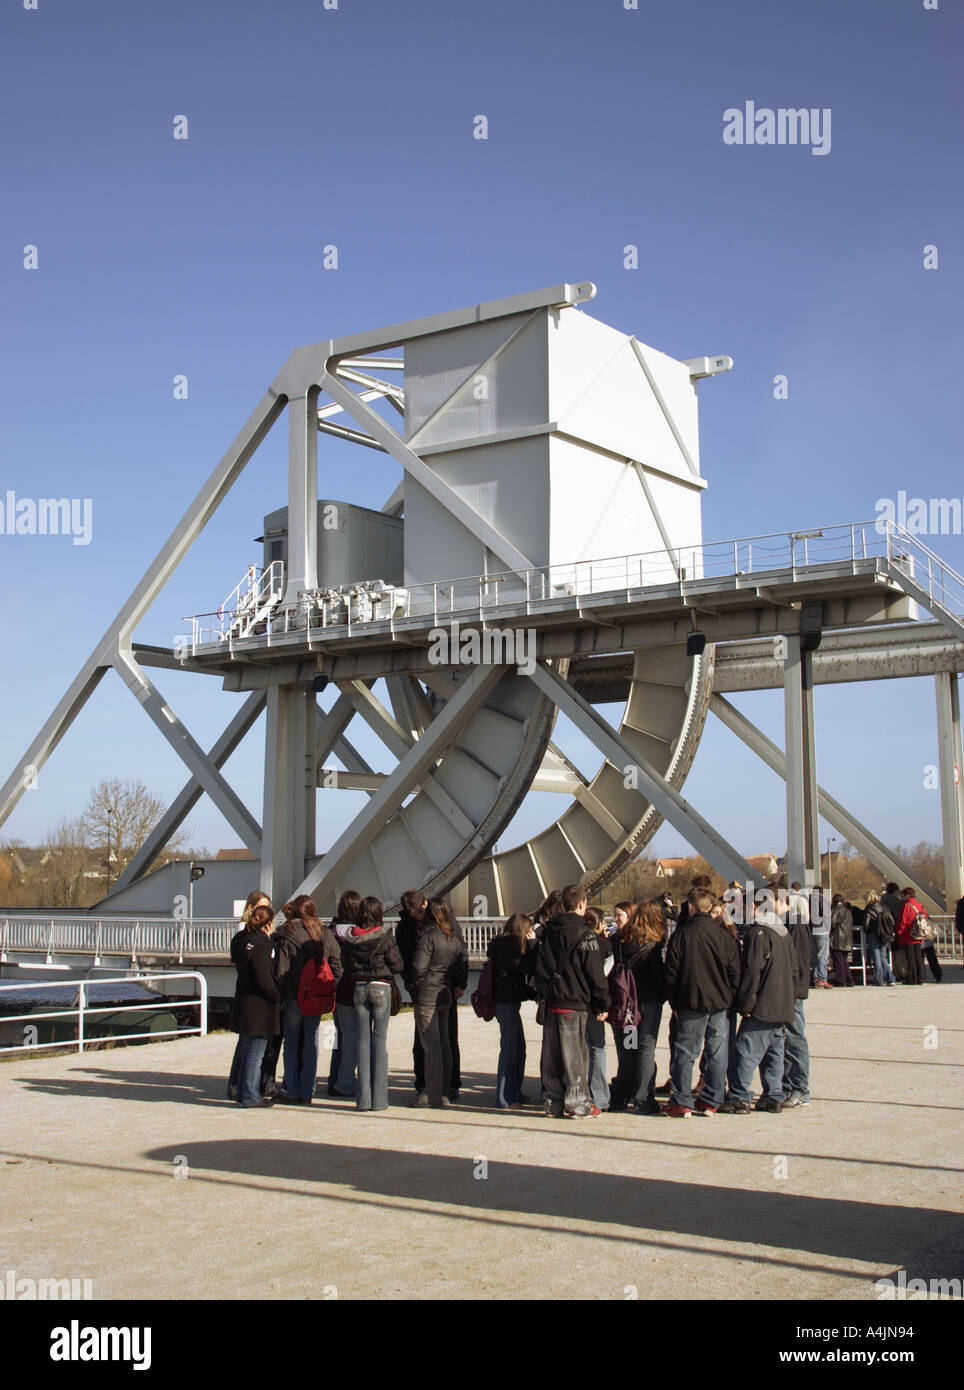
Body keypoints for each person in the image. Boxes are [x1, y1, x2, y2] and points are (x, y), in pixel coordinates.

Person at [663, 888, 740, 1117]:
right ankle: (712, 1100)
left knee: (685, 1053)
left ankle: (682, 1100)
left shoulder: (682, 935)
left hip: (690, 1003)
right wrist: (729, 997)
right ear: (711, 908)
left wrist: (675, 1003)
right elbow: (735, 972)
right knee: (717, 1053)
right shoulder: (725, 937)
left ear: (691, 907)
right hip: (719, 1004)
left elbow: (671, 973)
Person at [535, 883, 609, 1119]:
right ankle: (578, 1104)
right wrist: (602, 1003)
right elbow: (595, 974)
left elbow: (539, 969)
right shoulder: (586, 934)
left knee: (551, 1058)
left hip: (551, 1002)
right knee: (575, 1058)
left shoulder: (547, 932)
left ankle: (552, 1103)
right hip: (574, 1003)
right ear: (581, 904)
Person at [722, 895, 800, 1114]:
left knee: (746, 1049)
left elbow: (753, 971)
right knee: (773, 1051)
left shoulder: (759, 932)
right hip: (782, 1001)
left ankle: (739, 1096)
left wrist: (746, 1004)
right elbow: (795, 968)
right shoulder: (781, 931)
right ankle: (773, 1095)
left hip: (764, 1002)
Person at [335, 896, 404, 1111]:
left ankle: (363, 1099)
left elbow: (345, 963)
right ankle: (380, 1100)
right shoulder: (385, 936)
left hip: (359, 989)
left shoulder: (351, 938)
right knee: (379, 1041)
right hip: (380, 987)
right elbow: (397, 964)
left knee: (362, 1041)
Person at [275, 895, 343, 1105]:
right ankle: (308, 1090)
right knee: (311, 1042)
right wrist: (326, 987)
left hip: (294, 996)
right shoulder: (324, 934)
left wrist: (285, 991)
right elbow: (337, 966)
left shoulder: (287, 934)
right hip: (315, 997)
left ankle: (290, 1089)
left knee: (292, 1043)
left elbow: (281, 971)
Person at [609, 899, 666, 1116]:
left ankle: (621, 1095)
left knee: (629, 1049)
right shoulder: (653, 943)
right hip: (649, 1004)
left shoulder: (619, 940)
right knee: (646, 1048)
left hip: (628, 1005)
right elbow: (659, 976)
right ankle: (643, 1098)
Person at [410, 899, 468, 1108]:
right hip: (445, 992)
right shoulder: (452, 938)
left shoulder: (428, 938)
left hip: (428, 993)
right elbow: (461, 962)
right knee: (445, 1043)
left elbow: (418, 968)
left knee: (431, 1045)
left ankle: (431, 1093)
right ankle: (445, 1089)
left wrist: (413, 984)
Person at [230, 904, 281, 1108]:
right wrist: (276, 994)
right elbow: (263, 977)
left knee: (249, 1047)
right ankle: (251, 1095)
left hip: (244, 997)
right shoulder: (261, 943)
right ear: (268, 923)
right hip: (259, 1005)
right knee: (256, 1050)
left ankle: (242, 1091)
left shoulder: (240, 939)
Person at [487, 913, 535, 1107]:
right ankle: (505, 1097)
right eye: (529, 930)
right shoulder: (508, 949)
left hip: (508, 1003)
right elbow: (526, 968)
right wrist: (532, 946)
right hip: (506, 1004)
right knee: (509, 1050)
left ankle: (514, 1091)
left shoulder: (502, 945)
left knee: (518, 1048)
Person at [227, 890, 271, 1100]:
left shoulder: (242, 938)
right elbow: (261, 973)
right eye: (262, 907)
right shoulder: (251, 938)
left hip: (245, 995)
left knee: (246, 1044)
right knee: (252, 1047)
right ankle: (247, 1091)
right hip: (255, 999)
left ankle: (240, 1086)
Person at [327, 890, 362, 1097]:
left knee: (340, 1038)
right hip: (353, 991)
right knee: (352, 1040)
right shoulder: (359, 935)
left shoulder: (330, 933)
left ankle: (335, 1079)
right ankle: (346, 1083)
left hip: (336, 993)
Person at [783, 886, 813, 1107]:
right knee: (786, 1037)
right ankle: (787, 1085)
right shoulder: (787, 924)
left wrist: (794, 990)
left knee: (794, 1036)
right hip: (786, 989)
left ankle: (800, 1088)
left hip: (792, 991)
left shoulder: (796, 925)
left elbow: (800, 962)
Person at [584, 908, 613, 1111]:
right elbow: (599, 978)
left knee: (580, 1048)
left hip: (576, 1002)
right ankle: (599, 1096)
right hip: (594, 1003)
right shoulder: (600, 945)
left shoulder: (577, 940)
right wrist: (603, 1003)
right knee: (597, 1047)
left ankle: (579, 1092)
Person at [863, 890, 896, 987]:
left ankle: (879, 980)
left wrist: (868, 931)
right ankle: (890, 979)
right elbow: (892, 921)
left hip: (873, 934)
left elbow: (866, 925)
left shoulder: (869, 909)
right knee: (882, 957)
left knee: (876, 958)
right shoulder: (884, 908)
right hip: (884, 935)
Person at [895, 888, 926, 986]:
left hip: (908, 935)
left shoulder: (906, 907)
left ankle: (912, 978)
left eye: (903, 896)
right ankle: (920, 977)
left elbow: (902, 922)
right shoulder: (920, 905)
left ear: (907, 895)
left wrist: (898, 934)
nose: (902, 898)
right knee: (918, 957)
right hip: (918, 935)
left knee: (910, 958)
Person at [829, 895, 855, 987]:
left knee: (838, 961)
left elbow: (831, 923)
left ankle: (841, 980)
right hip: (847, 939)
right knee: (844, 961)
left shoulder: (835, 910)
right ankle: (849, 979)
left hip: (838, 939)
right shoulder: (848, 911)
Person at [882, 882, 906, 981]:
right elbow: (897, 916)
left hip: (883, 930)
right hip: (894, 929)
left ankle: (889, 972)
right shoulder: (895, 901)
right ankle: (900, 972)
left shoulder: (881, 900)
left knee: (886, 954)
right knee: (898, 953)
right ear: (896, 891)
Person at [810, 886, 832, 989]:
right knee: (822, 955)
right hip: (822, 930)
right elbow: (827, 916)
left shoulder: (808, 901)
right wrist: (828, 929)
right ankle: (822, 978)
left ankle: (815, 978)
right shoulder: (823, 901)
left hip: (812, 930)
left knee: (815, 955)